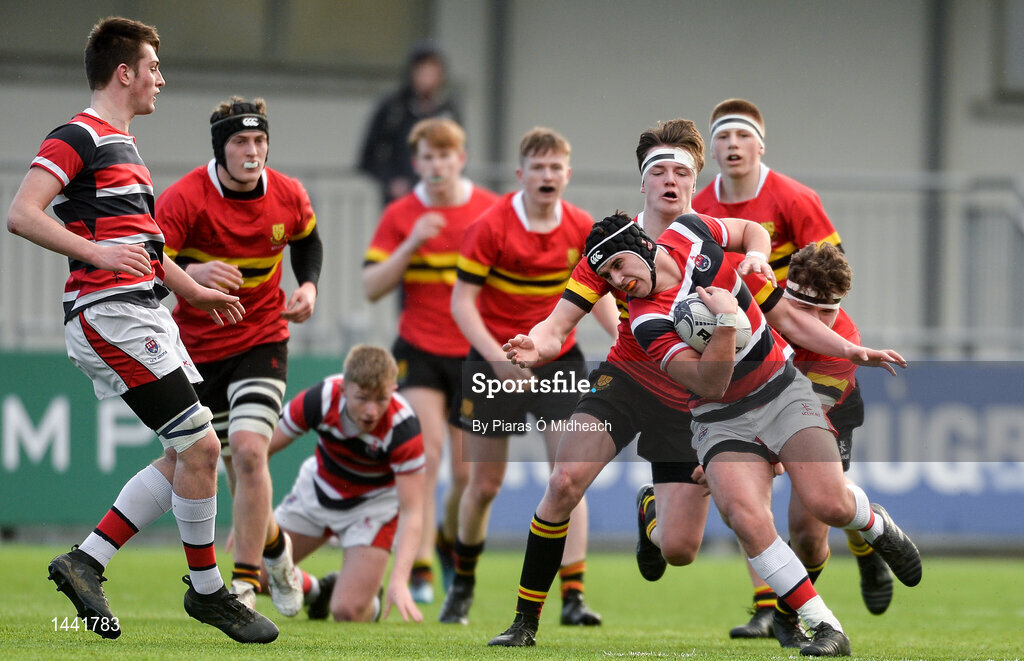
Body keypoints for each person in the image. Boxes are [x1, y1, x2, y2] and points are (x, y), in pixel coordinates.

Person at [6, 17, 276, 643]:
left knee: (185, 453)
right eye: (154, 67)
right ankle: (209, 592)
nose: (162, 78)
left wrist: (194, 291)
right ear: (124, 73)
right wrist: (96, 254)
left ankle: (86, 561)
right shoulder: (79, 134)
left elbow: (149, 250)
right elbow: (21, 213)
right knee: (205, 449)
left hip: (146, 310)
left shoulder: (123, 145)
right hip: (110, 313)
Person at [597, 211, 921, 656]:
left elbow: (758, 248)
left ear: (643, 246)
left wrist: (755, 257)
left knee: (827, 504)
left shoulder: (691, 231)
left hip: (782, 391)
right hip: (719, 418)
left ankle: (872, 521)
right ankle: (825, 627)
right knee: (747, 519)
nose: (617, 281)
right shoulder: (645, 320)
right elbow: (709, 384)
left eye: (619, 265)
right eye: (606, 275)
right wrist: (728, 322)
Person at [692, 98, 890, 637]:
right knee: (746, 494)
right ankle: (770, 609)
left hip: (810, 361)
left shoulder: (797, 200)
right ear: (712, 150)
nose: (732, 146)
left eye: (742, 136)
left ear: (760, 145)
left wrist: (825, 339)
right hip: (754, 355)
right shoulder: (702, 206)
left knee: (815, 517)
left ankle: (864, 540)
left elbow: (832, 278)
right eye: (723, 137)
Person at [155, 96, 323, 616]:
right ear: (220, 149)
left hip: (261, 338)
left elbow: (308, 242)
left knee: (251, 453)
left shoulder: (289, 194)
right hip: (198, 349)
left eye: (259, 141)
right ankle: (278, 554)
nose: (252, 152)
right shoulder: (185, 198)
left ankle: (245, 583)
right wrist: (194, 275)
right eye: (240, 142)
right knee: (230, 465)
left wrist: (310, 287)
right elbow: (149, 268)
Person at [440, 127, 613, 627]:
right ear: (520, 175)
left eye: (556, 167)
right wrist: (498, 360)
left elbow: (598, 293)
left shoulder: (581, 225)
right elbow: (462, 304)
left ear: (568, 175)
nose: (547, 175)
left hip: (558, 362)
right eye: (537, 167)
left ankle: (574, 597)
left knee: (570, 474)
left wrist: (629, 335)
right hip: (495, 360)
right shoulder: (491, 225)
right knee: (484, 483)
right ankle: (463, 586)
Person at [363, 117, 499, 604]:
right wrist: (412, 242)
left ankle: (444, 539)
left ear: (460, 159)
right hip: (418, 350)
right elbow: (372, 287)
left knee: (466, 475)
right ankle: (418, 566)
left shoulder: (490, 209)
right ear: (416, 162)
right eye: (428, 157)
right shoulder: (402, 213)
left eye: (446, 156)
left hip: (474, 353)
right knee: (428, 454)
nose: (437, 165)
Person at [265, 344, 426, 623]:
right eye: (362, 398)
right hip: (317, 491)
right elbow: (257, 453)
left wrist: (400, 580)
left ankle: (369, 603)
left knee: (348, 611)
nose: (371, 411)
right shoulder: (320, 398)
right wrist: (255, 516)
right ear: (344, 389)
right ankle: (317, 592)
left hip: (371, 509)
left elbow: (412, 511)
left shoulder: (404, 427)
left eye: (381, 399)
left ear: (394, 390)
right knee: (258, 576)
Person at [358, 41, 461, 206]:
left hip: (440, 200)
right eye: (423, 70)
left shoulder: (448, 108)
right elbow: (368, 157)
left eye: (433, 70)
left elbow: (459, 150)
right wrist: (391, 181)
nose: (428, 76)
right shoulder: (393, 107)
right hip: (402, 201)